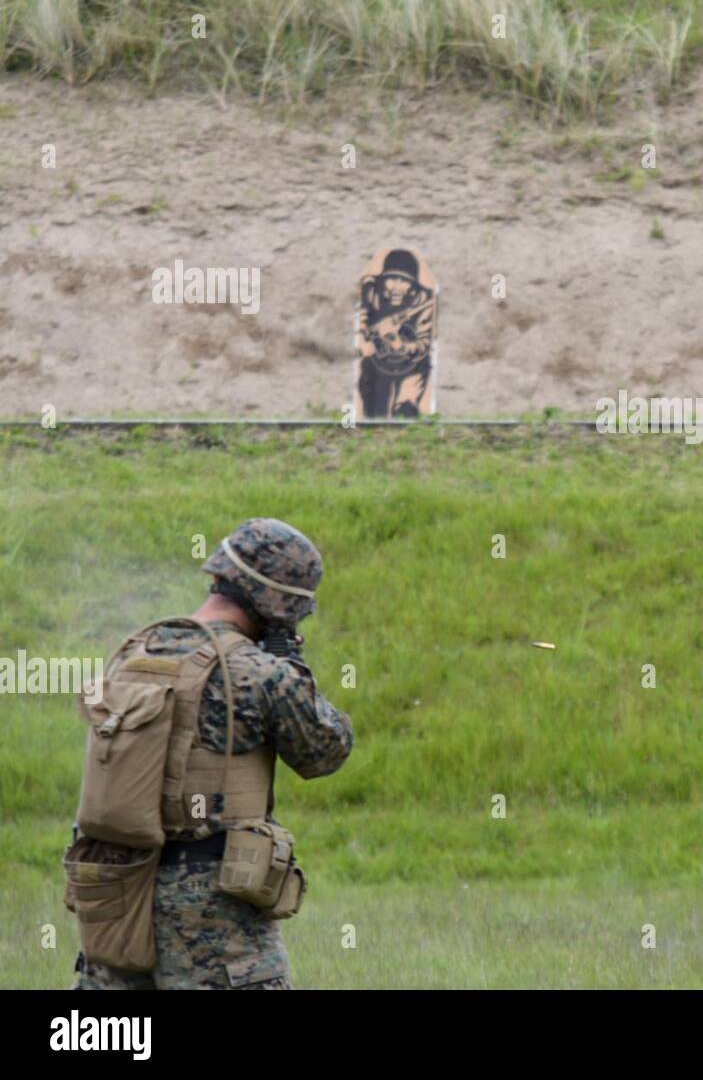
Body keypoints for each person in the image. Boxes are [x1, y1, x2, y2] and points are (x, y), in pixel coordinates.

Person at [70, 518, 353, 989]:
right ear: (278, 604)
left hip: (114, 887)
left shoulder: (134, 653)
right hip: (214, 905)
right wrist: (292, 665)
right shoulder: (259, 672)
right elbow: (325, 751)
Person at [357, 248, 436, 418]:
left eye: (404, 281)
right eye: (392, 279)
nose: (396, 287)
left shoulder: (423, 303)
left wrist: (402, 347)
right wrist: (365, 341)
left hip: (411, 363)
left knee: (406, 410)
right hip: (379, 361)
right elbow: (362, 326)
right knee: (373, 412)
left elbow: (424, 345)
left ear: (413, 286)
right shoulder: (373, 295)